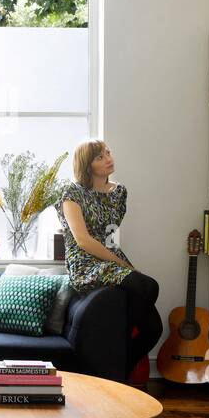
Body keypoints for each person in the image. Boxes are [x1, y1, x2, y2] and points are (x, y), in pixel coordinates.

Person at [57, 139, 162, 375]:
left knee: (154, 328)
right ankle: (114, 362)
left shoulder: (119, 192)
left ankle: (119, 370)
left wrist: (122, 262)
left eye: (108, 153)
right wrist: (120, 264)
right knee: (148, 285)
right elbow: (82, 240)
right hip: (84, 262)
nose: (108, 159)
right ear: (87, 165)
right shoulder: (72, 193)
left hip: (109, 256)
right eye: (99, 157)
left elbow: (110, 235)